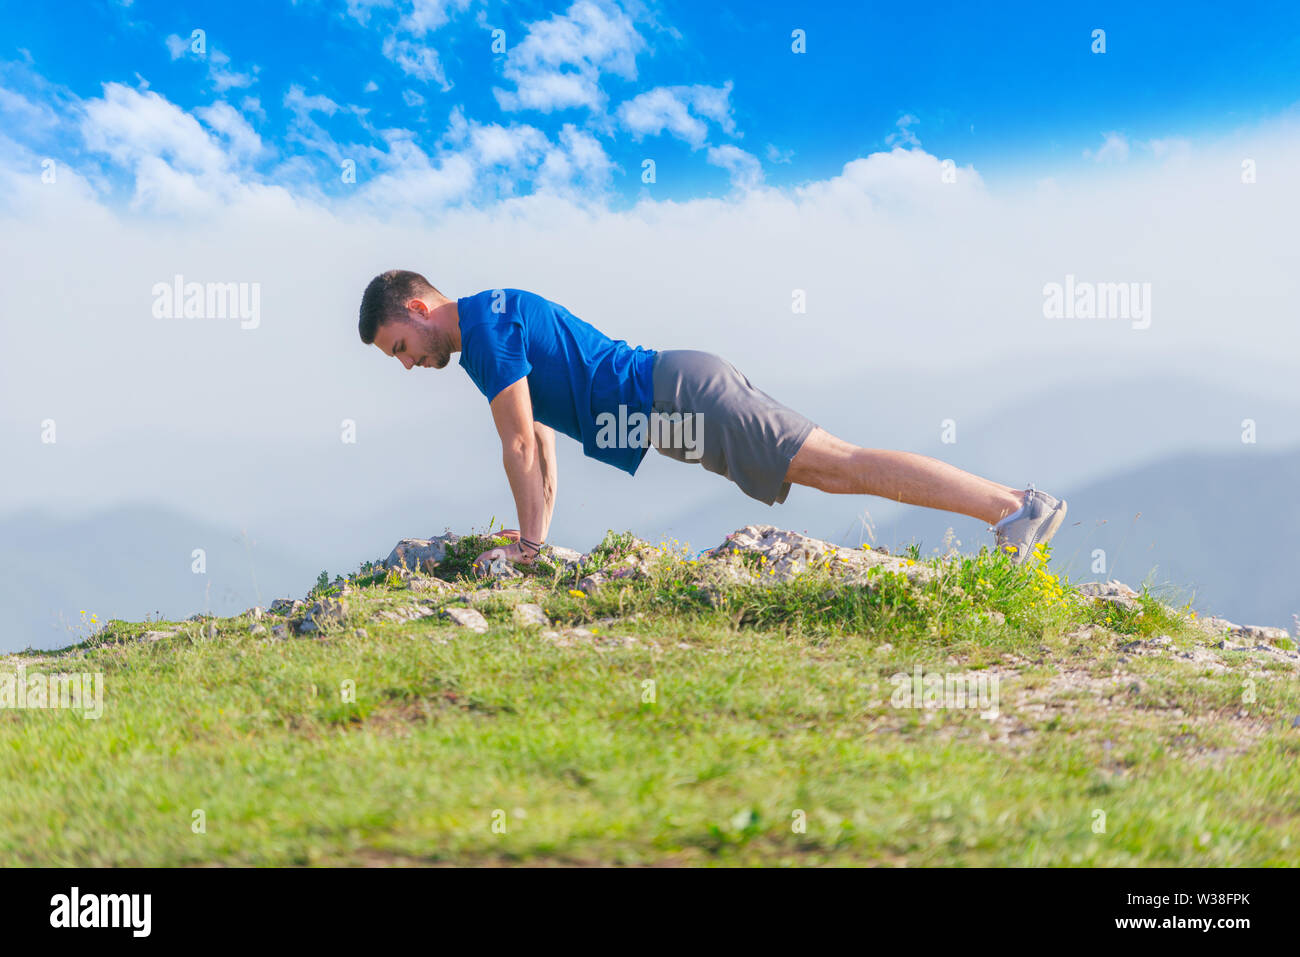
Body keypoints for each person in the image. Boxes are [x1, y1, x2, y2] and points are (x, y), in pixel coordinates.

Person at [358, 270, 1066, 571]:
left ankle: (1012, 506)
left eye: (398, 348)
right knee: (830, 471)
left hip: (678, 397)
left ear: (418, 309)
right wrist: (533, 540)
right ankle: (1010, 509)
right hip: (674, 409)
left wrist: (528, 549)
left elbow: (516, 441)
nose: (407, 364)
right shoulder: (489, 334)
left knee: (839, 465)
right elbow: (539, 443)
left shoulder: (485, 326)